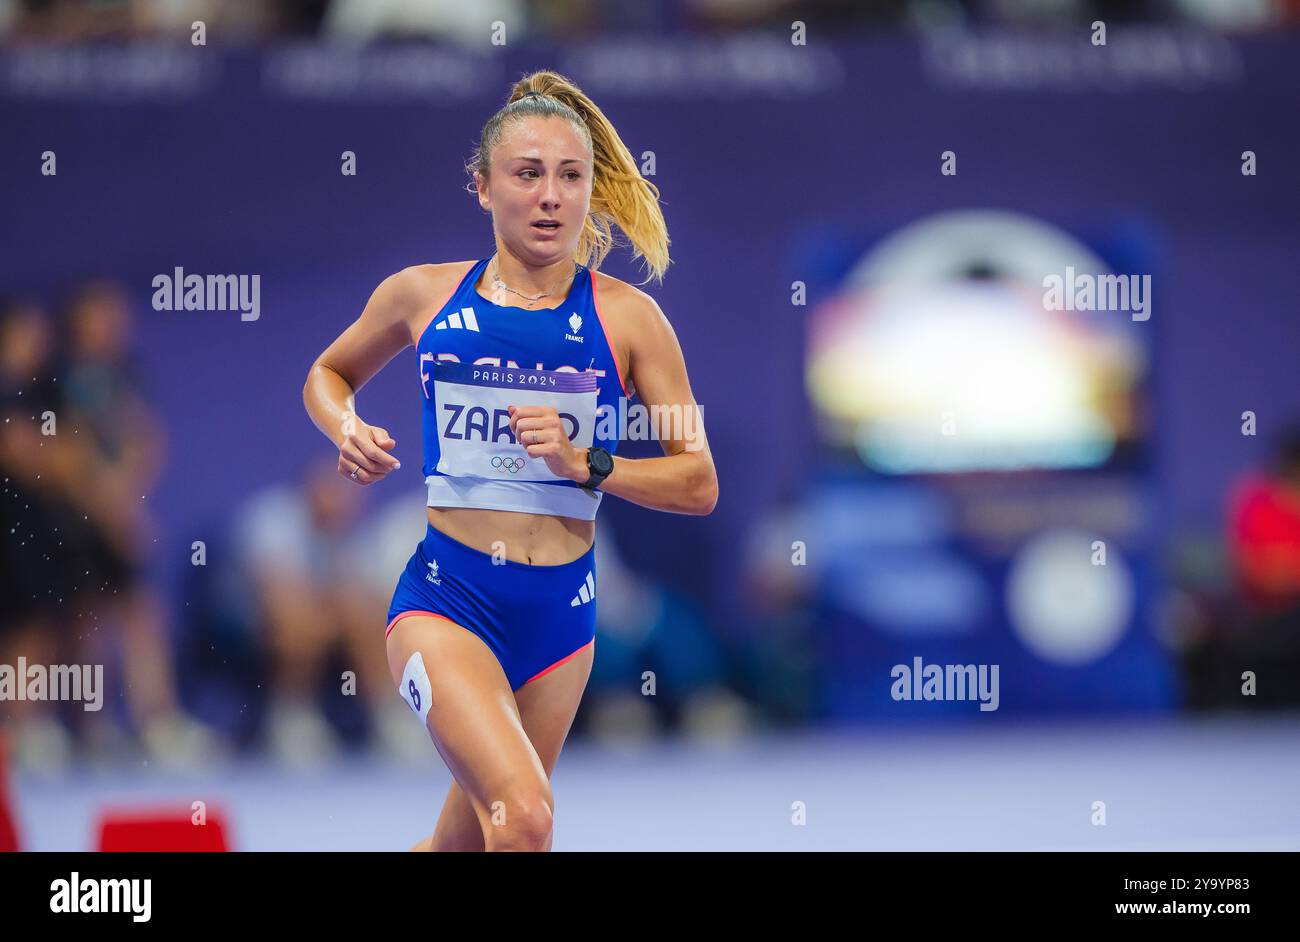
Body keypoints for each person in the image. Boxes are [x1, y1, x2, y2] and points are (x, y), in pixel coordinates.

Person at [303, 71, 717, 851]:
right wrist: (345, 426)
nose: (551, 196)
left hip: (561, 620)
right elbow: (327, 376)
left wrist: (589, 463)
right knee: (525, 817)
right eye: (528, 174)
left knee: (468, 840)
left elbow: (698, 481)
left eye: (571, 176)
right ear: (483, 187)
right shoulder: (421, 295)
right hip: (446, 603)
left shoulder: (632, 321)